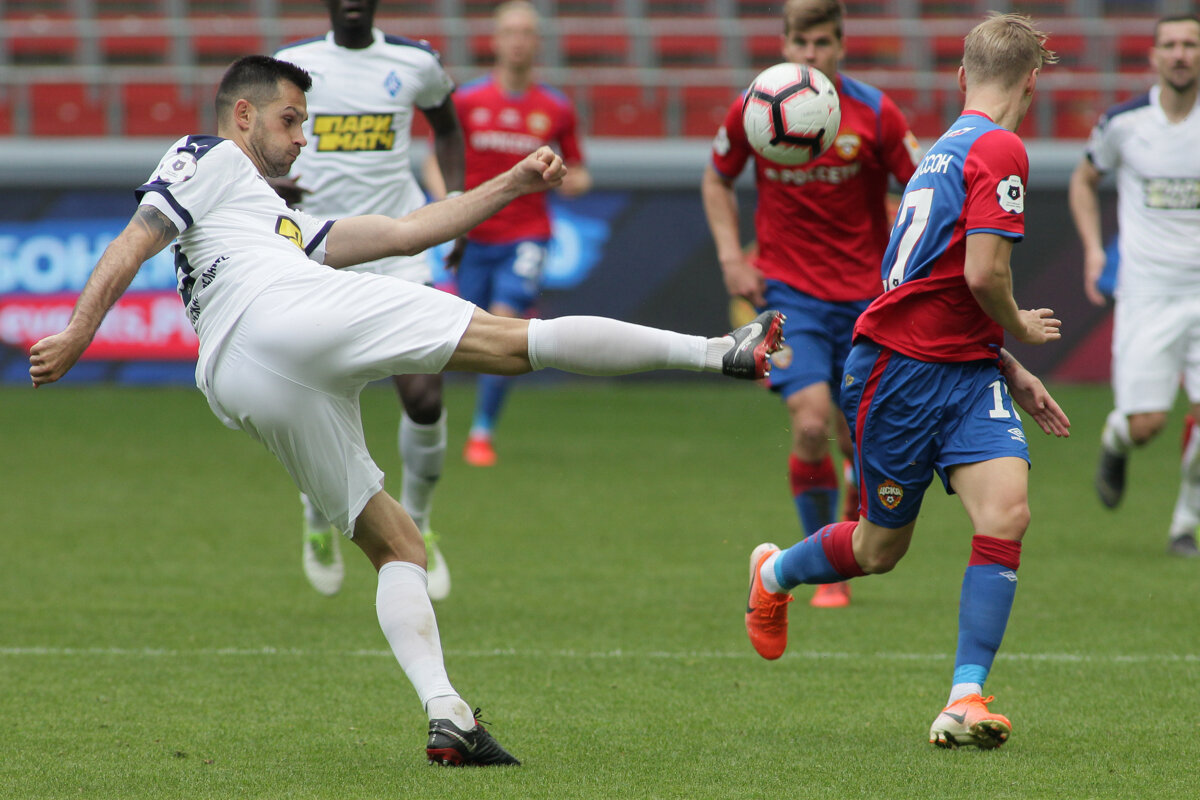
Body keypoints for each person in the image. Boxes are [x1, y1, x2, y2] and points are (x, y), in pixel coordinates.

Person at [28, 55, 784, 766]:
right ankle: (720, 352)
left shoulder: (278, 222)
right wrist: (79, 332)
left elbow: (405, 231)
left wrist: (512, 183)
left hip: (239, 377)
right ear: (243, 116)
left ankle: (448, 711)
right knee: (513, 340)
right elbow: (137, 237)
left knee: (395, 544)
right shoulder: (209, 155)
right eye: (291, 120)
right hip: (280, 313)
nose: (302, 137)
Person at [743, 14, 1069, 749]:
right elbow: (984, 274)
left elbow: (938, 280)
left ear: (961, 78)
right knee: (879, 549)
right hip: (901, 374)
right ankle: (774, 574)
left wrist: (1004, 365)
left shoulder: (943, 151)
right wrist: (1018, 330)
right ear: (1033, 83)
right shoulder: (1001, 147)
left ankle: (966, 696)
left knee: (1006, 513)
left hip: (961, 372)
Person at [702, 0, 920, 608]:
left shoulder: (875, 113)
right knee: (812, 422)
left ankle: (845, 542)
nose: (810, 55)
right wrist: (730, 258)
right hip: (790, 295)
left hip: (869, 300)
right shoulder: (757, 106)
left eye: (822, 43)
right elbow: (716, 177)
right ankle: (813, 556)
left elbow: (925, 184)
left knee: (861, 437)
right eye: (801, 43)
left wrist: (908, 258)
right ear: (785, 42)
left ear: (840, 45)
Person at [271, 0, 465, 600]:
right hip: (320, 248)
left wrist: (453, 203)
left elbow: (450, 129)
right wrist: (274, 182)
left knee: (425, 397)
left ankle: (421, 521)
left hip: (400, 246)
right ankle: (314, 513)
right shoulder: (292, 64)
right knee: (319, 393)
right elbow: (252, 140)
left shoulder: (415, 62)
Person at [425, 0, 592, 468]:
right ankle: (433, 423)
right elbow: (431, 157)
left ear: (536, 43)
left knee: (505, 321)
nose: (518, 40)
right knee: (463, 337)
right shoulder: (468, 101)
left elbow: (579, 171)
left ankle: (481, 432)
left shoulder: (555, 107)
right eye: (510, 31)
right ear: (495, 40)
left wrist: (572, 179)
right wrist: (449, 202)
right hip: (471, 236)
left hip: (527, 235)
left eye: (527, 32)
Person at [1068, 14, 1200, 558]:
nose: (1180, 54)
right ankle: (1116, 440)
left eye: (1190, 44)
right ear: (1152, 57)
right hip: (1147, 291)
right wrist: (1096, 250)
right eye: (1170, 44)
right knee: (1145, 424)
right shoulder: (1124, 122)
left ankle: (1183, 524)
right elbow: (1083, 178)